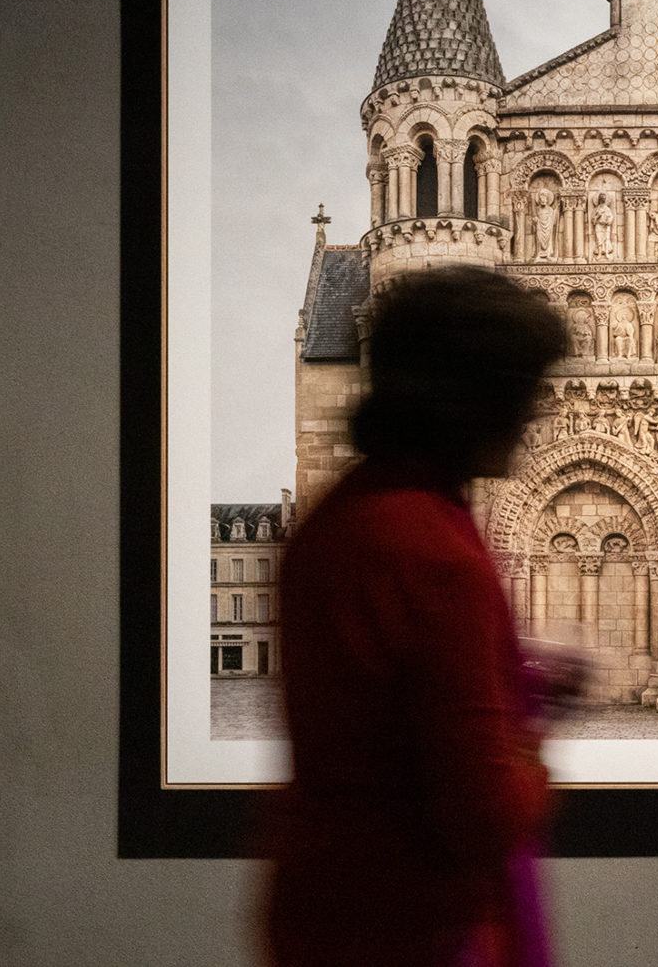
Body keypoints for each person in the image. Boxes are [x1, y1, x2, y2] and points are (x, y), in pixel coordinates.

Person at [264, 266, 572, 967]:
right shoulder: (434, 552)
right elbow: (483, 812)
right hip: (420, 934)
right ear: (473, 399)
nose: (534, 416)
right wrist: (533, 756)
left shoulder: (337, 523)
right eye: (523, 390)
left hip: (321, 919)